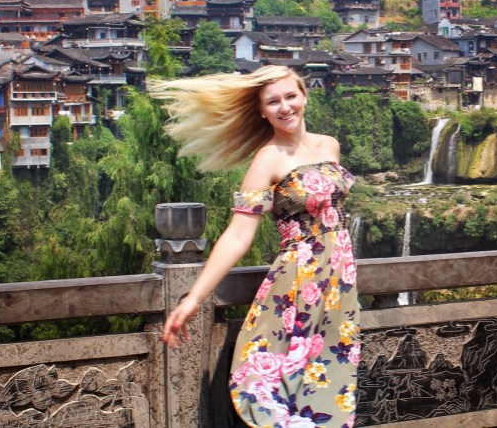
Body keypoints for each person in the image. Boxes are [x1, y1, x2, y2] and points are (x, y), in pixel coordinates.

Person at [150, 65, 360, 428]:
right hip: (297, 285)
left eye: (290, 96)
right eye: (273, 102)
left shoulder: (330, 146)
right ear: (262, 111)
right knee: (279, 387)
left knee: (332, 383)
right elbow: (238, 235)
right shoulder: (268, 159)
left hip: (340, 286)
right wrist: (193, 299)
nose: (285, 107)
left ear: (304, 95)